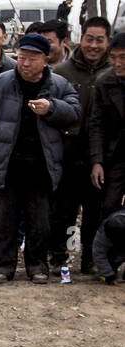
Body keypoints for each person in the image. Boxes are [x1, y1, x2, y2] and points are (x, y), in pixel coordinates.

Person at [0, 33, 81, 284]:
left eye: (32, 59)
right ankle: (3, 265)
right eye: (21, 57)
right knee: (4, 220)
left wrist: (52, 108)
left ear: (45, 60)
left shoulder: (59, 85)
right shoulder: (0, 83)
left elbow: (75, 112)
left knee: (40, 221)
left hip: (42, 163)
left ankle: (37, 265)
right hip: (8, 162)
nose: (25, 63)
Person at [51, 15, 113, 274]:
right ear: (80, 39)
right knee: (65, 208)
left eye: (100, 40)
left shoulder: (114, 73)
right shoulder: (63, 72)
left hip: (104, 152)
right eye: (89, 39)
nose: (94, 46)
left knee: (96, 210)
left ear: (108, 42)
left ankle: (90, 257)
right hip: (69, 149)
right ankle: (59, 257)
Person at [88, 33, 125, 216]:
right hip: (115, 155)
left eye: (123, 58)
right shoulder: (105, 81)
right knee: (109, 206)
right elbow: (96, 125)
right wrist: (97, 161)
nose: (117, 63)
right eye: (113, 57)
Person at [91, 206, 125, 283]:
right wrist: (108, 274)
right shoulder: (103, 233)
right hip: (115, 250)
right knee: (115, 258)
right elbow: (98, 253)